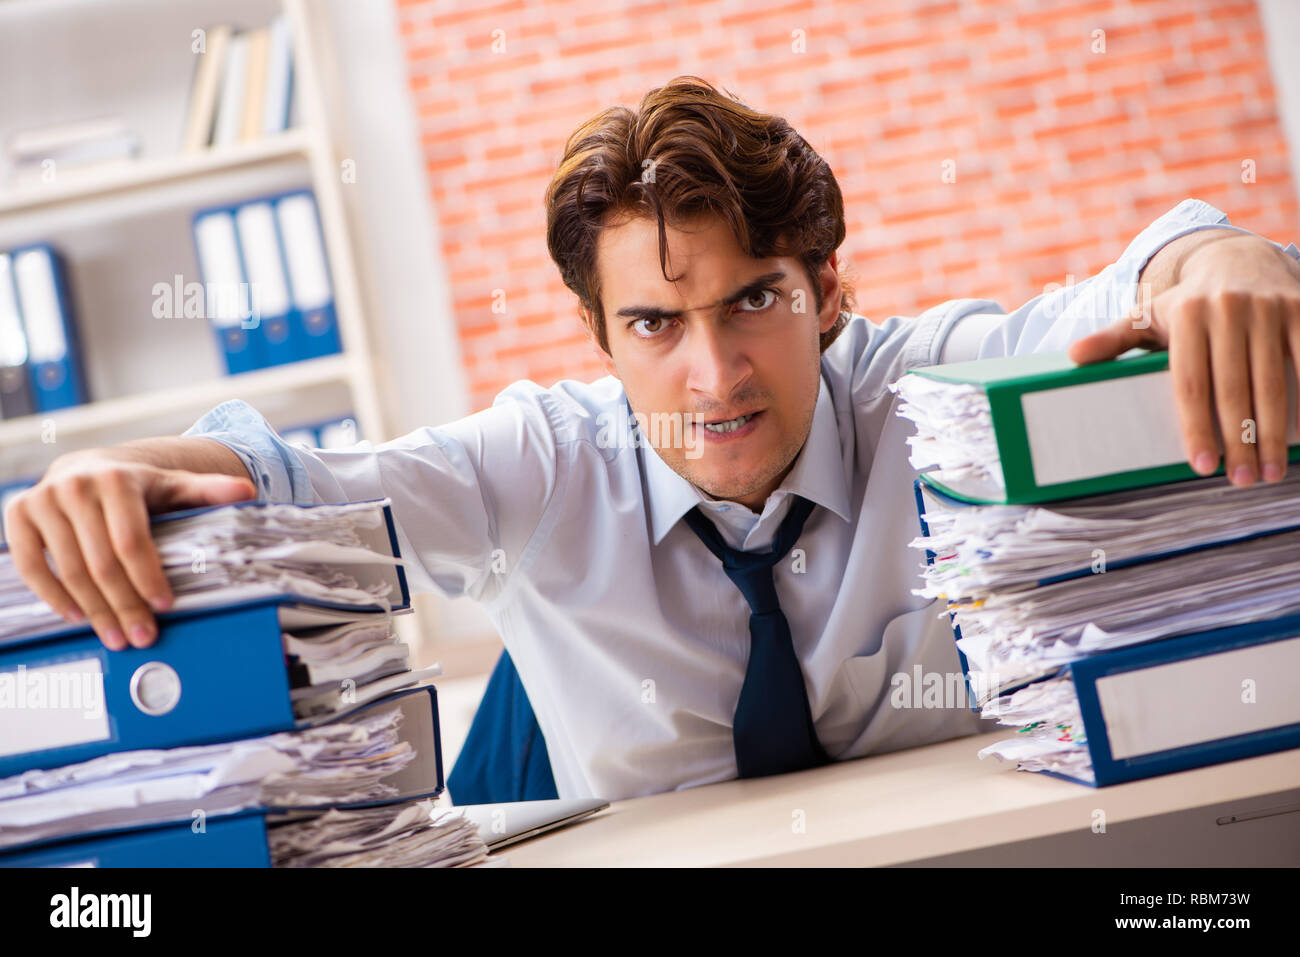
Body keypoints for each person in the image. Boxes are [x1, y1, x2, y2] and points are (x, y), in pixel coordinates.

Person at [7, 77, 1300, 804]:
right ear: (598, 335)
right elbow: (308, 481)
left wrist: (1225, 251)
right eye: (653, 322)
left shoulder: (919, 388)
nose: (714, 370)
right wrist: (106, 467)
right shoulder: (545, 459)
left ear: (828, 292)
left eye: (755, 299)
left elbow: (1132, 282)